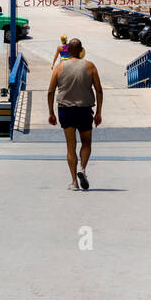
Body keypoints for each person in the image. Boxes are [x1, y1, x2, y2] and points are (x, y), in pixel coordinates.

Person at [47, 39, 103, 191]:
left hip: (66, 110)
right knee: (86, 143)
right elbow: (99, 90)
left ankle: (74, 182)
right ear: (81, 50)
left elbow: (51, 91)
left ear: (67, 50)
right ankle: (83, 169)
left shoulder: (59, 67)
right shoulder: (90, 66)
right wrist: (98, 113)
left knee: (70, 147)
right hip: (85, 110)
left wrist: (51, 113)